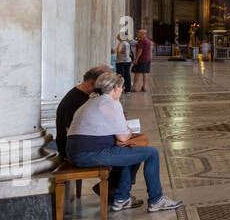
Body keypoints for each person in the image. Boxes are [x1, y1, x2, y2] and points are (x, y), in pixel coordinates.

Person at [64, 71, 182, 212]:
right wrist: (120, 109)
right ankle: (156, 200)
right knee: (152, 153)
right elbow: (123, 137)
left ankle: (121, 198)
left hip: (75, 152)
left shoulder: (93, 101)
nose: (122, 90)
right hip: (91, 154)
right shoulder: (109, 103)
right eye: (121, 87)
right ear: (115, 88)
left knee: (130, 153)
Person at [55, 66, 113, 159]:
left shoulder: (86, 95)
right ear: (93, 83)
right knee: (126, 150)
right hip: (74, 150)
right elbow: (71, 132)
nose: (107, 89)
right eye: (105, 85)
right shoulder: (75, 101)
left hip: (83, 144)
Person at [130, 29, 153, 93]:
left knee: (137, 73)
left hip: (141, 59)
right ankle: (144, 87)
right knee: (145, 73)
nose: (137, 34)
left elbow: (140, 50)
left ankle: (134, 87)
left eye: (138, 33)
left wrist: (136, 59)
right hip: (148, 58)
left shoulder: (141, 40)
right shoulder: (148, 40)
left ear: (142, 34)